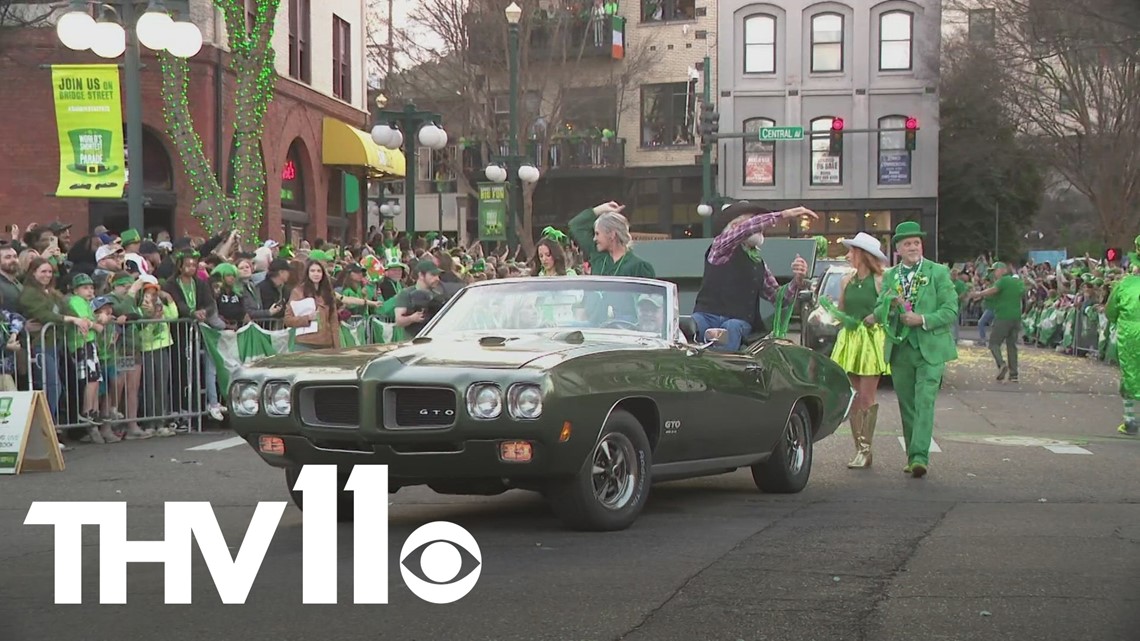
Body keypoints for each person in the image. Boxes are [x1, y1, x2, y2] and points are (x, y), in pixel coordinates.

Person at [873, 221, 959, 478]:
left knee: (925, 401)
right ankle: (912, 456)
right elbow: (879, 312)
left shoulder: (938, 272)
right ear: (898, 248)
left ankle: (921, 456)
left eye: (917, 243)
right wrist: (889, 303)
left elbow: (951, 310)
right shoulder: (890, 276)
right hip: (901, 349)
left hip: (930, 347)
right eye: (908, 243)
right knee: (907, 404)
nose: (913, 247)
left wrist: (922, 319)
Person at [690, 203, 816, 351]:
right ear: (735, 225)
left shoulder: (758, 263)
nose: (760, 227)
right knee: (690, 325)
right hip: (706, 316)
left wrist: (797, 280)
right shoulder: (720, 247)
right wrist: (784, 214)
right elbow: (746, 229)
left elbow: (778, 298)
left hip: (738, 322)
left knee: (731, 327)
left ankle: (724, 368)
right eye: (754, 220)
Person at [825, 233, 890, 469]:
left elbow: (892, 306)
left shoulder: (881, 280)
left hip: (871, 339)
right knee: (852, 397)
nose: (848, 255)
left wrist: (877, 316)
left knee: (866, 397)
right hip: (850, 339)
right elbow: (841, 310)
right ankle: (859, 450)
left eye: (852, 251)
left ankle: (866, 448)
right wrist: (831, 313)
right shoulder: (846, 281)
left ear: (863, 254)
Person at [568, 201, 655, 278]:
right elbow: (575, 225)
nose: (594, 239)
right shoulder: (598, 256)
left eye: (597, 234)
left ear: (612, 234)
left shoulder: (638, 266)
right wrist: (602, 208)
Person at [970, 261, 1025, 382]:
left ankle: (1001, 364)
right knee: (1012, 345)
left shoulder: (1003, 281)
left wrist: (978, 294)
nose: (994, 274)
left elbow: (993, 290)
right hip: (1016, 317)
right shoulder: (1017, 282)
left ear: (1003, 270)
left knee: (994, 343)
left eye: (995, 271)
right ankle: (1014, 374)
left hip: (1003, 316)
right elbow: (1023, 291)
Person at [1106, 251, 1140, 436]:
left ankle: (1129, 420)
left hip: (1131, 334)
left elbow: (1110, 312)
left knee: (1130, 373)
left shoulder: (1124, 284)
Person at [283, 259, 342, 350]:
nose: (316, 274)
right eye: (312, 271)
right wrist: (307, 318)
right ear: (307, 273)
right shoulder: (298, 292)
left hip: (326, 344)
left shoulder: (328, 293)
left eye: (319, 271)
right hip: (304, 343)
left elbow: (334, 322)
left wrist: (337, 347)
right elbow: (288, 320)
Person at [392, 260, 444, 337]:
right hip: (412, 340)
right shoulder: (406, 294)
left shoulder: (437, 294)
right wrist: (412, 318)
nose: (437, 279)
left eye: (437, 275)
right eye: (433, 275)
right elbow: (399, 321)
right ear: (421, 275)